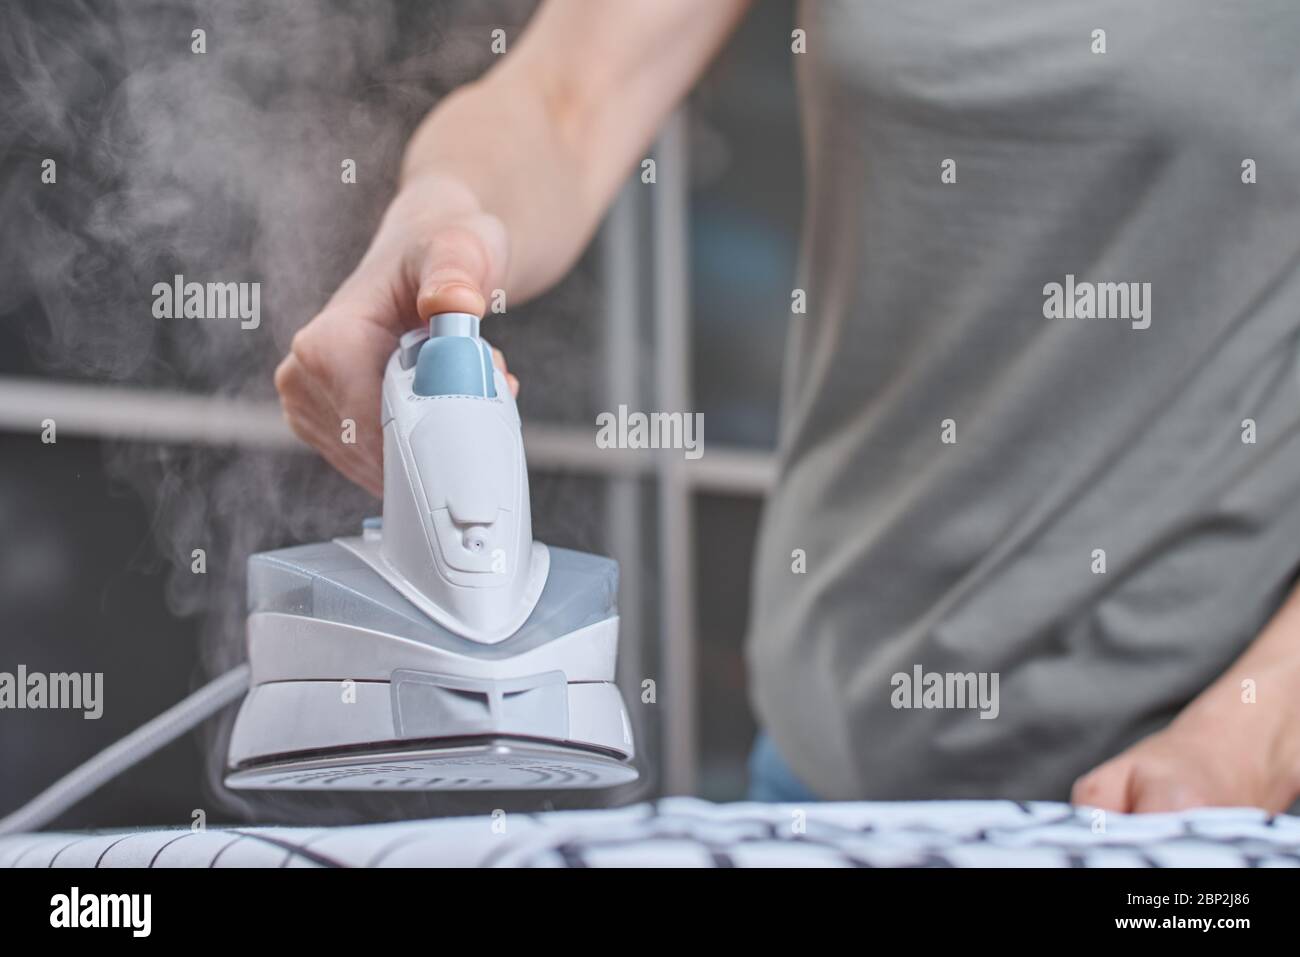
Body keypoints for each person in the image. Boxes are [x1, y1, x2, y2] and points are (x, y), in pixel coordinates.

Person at [275, 0, 1300, 811]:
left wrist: (1251, 737)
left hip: (1209, 792)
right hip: (832, 761)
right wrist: (443, 219)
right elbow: (562, 100)